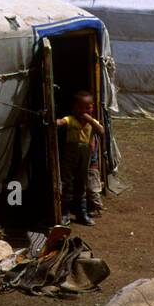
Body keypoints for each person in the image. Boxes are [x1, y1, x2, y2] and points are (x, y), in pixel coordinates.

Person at [56, 91, 105, 226]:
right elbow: (60, 122)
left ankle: (81, 213)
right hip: (69, 157)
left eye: (87, 107)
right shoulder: (70, 119)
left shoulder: (92, 122)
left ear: (92, 107)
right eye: (80, 108)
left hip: (84, 158)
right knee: (67, 183)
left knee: (81, 184)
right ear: (74, 108)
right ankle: (65, 213)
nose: (84, 111)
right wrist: (53, 120)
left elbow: (101, 131)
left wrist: (89, 119)